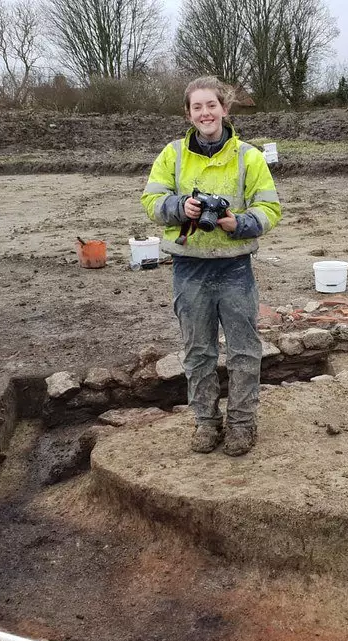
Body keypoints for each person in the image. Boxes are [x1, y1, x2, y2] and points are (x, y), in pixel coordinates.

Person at [141, 76, 282, 457]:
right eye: (197, 107)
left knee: (244, 350)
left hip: (235, 267)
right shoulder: (172, 155)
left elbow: (270, 207)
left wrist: (241, 224)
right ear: (188, 114)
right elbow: (152, 201)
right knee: (198, 350)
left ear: (225, 108)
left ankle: (241, 424)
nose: (205, 113)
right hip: (189, 267)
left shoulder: (248, 157)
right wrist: (178, 207)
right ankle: (205, 421)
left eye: (211, 105)